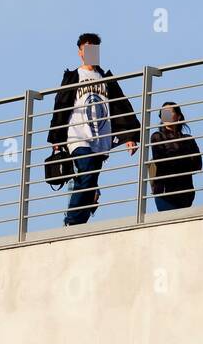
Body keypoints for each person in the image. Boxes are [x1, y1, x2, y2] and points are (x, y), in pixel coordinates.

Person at [46, 33, 141, 226]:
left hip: (101, 138)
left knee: (90, 182)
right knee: (87, 173)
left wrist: (130, 135)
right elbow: (61, 106)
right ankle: (71, 220)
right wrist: (57, 139)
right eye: (86, 49)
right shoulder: (73, 77)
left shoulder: (106, 78)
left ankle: (78, 224)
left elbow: (121, 106)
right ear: (80, 52)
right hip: (77, 136)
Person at [149, 102, 203, 212]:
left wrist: (176, 159)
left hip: (185, 194)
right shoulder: (157, 136)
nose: (166, 115)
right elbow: (162, 163)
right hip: (165, 193)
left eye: (169, 112)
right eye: (163, 113)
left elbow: (197, 164)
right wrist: (185, 159)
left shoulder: (188, 139)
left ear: (178, 116)